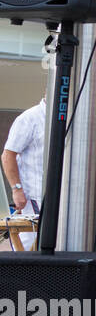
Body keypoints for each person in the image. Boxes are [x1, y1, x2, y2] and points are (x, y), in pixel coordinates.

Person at [2, 98, 46, 251]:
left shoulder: (68, 119)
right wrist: (17, 189)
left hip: (62, 197)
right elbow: (8, 155)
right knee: (30, 247)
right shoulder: (29, 118)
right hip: (35, 196)